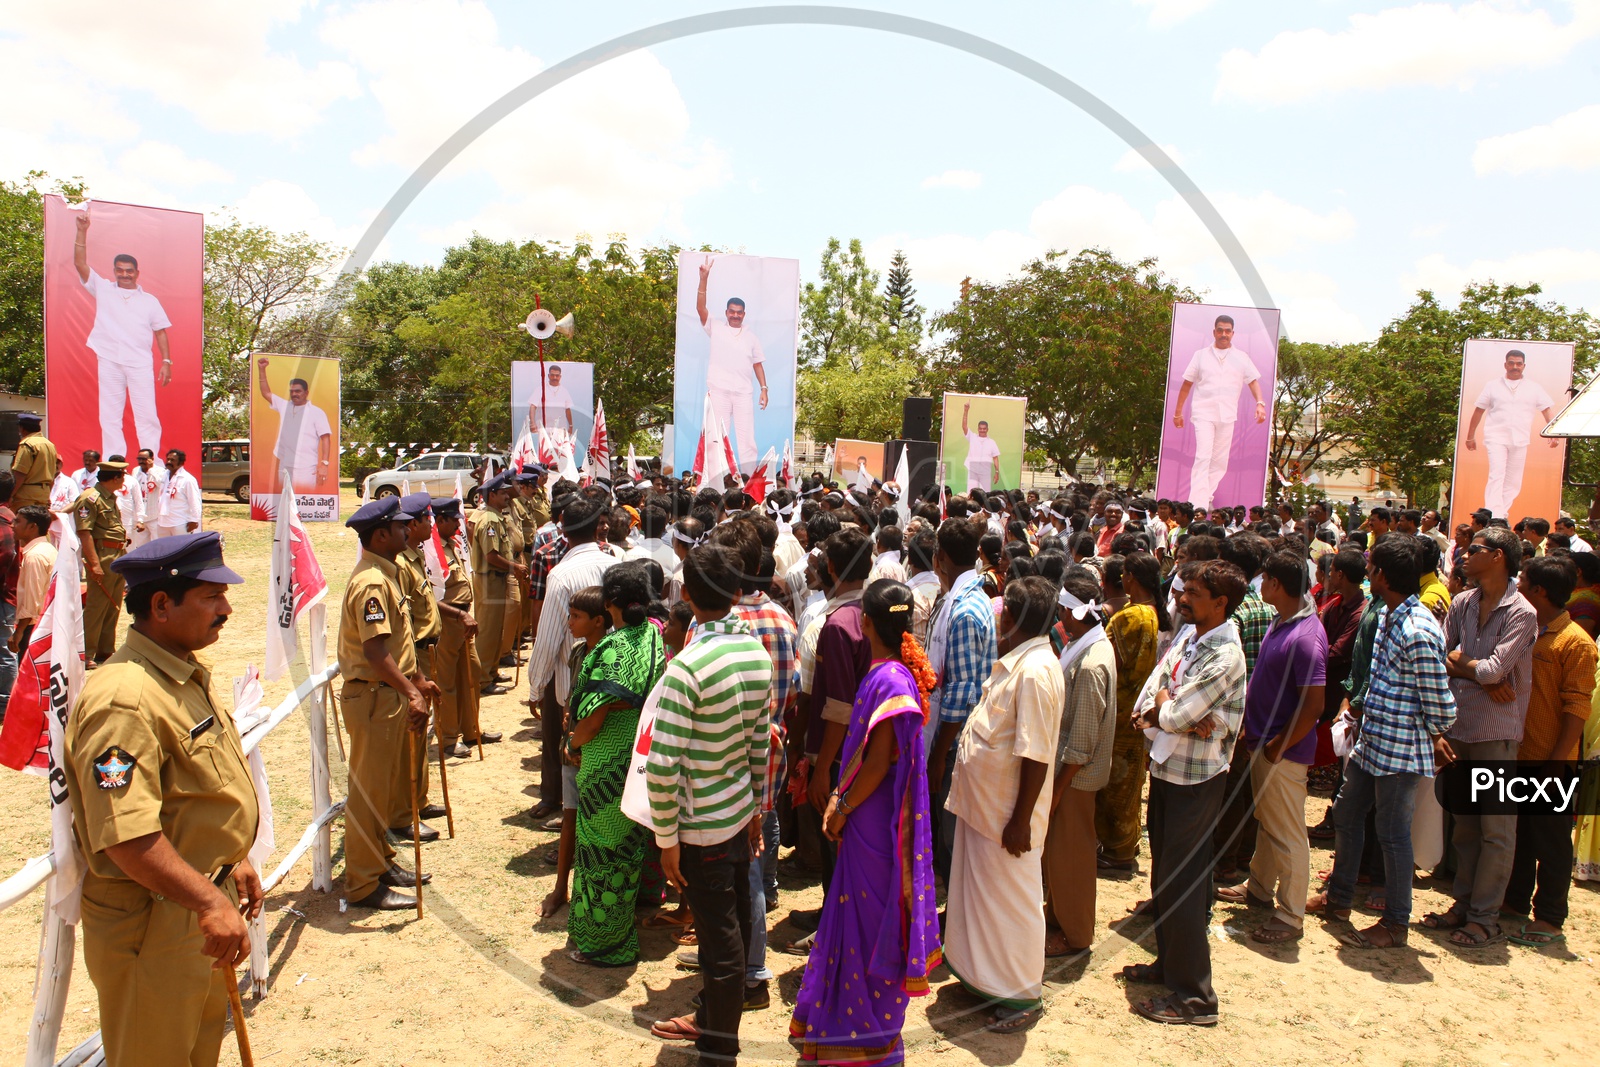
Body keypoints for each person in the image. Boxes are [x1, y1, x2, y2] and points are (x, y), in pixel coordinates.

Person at [62, 532, 256, 1067]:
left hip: (190, 907)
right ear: (162, 605)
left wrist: (228, 860)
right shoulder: (125, 698)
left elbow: (190, 794)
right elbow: (126, 836)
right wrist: (209, 899)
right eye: (211, 597)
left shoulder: (178, 670)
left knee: (196, 1054)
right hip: (155, 922)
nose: (226, 609)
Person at [790, 579, 942, 1064]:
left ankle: (866, 1034)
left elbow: (877, 763)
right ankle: (842, 1024)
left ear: (869, 624)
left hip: (876, 821)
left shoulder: (891, 680)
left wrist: (842, 804)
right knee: (854, 915)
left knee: (869, 922)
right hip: (870, 813)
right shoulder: (891, 672)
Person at [647, 544, 773, 1062]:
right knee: (735, 930)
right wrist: (757, 808)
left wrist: (666, 840)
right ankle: (713, 1029)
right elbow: (760, 743)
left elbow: (663, 766)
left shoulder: (687, 667)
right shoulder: (756, 653)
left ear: (687, 598)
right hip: (738, 813)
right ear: (739, 592)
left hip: (702, 827)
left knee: (721, 947)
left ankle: (719, 1051)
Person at [1314, 537, 1456, 948]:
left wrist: (1429, 732)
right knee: (1347, 813)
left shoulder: (1418, 629)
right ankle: (1338, 899)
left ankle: (1396, 922)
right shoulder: (1389, 615)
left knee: (1393, 834)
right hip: (1371, 742)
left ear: (1384, 577)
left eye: (1373, 568)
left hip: (1400, 752)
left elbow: (1441, 706)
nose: (1368, 573)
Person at [1125, 560, 1247, 1026]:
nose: (1182, 597)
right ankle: (1169, 967)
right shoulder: (1189, 636)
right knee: (1164, 878)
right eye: (1184, 589)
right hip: (1168, 769)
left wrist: (1167, 709)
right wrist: (1164, 707)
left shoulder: (1225, 655)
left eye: (1194, 593)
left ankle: (1195, 999)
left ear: (1221, 603)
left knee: (1185, 885)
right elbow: (1155, 691)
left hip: (1196, 781)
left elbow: (1175, 713)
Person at [943, 576, 1065, 1032]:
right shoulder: (1019, 661)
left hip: (1007, 818)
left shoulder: (1035, 671)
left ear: (1011, 619)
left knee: (1012, 906)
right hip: (984, 808)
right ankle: (980, 978)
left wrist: (1019, 821)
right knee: (978, 900)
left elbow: (1035, 753)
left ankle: (1020, 996)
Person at [1429, 525, 1537, 947]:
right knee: (1466, 828)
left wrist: (1468, 666)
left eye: (1474, 550)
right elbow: (1442, 655)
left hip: (1497, 733)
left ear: (1498, 557)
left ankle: (1484, 917)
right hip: (1460, 728)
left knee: (1496, 831)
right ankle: (1463, 904)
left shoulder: (1522, 612)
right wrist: (1480, 672)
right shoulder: (1461, 602)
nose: (1463, 556)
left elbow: (1494, 670)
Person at [1217, 550, 1327, 944]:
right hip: (1265, 741)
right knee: (1268, 821)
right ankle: (1260, 888)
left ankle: (1290, 915)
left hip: (1282, 750)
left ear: (1277, 585)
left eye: (1264, 580)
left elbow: (1313, 703)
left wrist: (1280, 744)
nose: (1259, 586)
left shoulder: (1306, 637)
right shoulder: (1283, 621)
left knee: (1287, 832)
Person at [337, 497, 436, 911]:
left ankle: (380, 861)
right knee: (369, 793)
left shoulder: (386, 574)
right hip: (375, 697)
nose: (406, 531)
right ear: (380, 535)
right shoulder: (372, 582)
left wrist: (416, 681)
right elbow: (376, 652)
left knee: (384, 787)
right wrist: (410, 690)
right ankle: (362, 883)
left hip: (389, 694)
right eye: (399, 527)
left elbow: (398, 643)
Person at [566, 564, 665, 964]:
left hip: (607, 760)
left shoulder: (615, 647)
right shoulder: (652, 635)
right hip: (638, 757)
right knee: (625, 850)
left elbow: (596, 713)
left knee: (600, 852)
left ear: (609, 604)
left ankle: (605, 945)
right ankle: (616, 931)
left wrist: (574, 740)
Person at [1496, 555, 1595, 945]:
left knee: (1551, 841)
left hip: (1551, 762)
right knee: (1518, 832)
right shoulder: (1529, 631)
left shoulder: (1576, 643)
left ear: (1539, 591)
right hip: (1520, 753)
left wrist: (1556, 762)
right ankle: (1515, 901)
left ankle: (1551, 917)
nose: (1517, 588)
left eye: (1523, 583)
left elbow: (1577, 708)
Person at [1043, 573, 1118, 956]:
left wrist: (1058, 790)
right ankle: (1057, 918)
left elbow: (1082, 742)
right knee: (1059, 852)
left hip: (1075, 777)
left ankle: (1075, 934)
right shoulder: (1085, 646)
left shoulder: (1090, 664)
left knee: (1071, 855)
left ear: (1073, 613)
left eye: (1062, 610)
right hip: (1067, 774)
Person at [925, 518, 998, 887]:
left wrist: (938, 754)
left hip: (954, 743)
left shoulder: (965, 609)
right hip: (948, 737)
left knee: (951, 835)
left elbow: (962, 690)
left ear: (939, 559)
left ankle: (957, 917)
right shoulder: (957, 598)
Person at [72, 211, 173, 460]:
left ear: (137, 273)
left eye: (129, 271)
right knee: (109, 415)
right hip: (109, 358)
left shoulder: (149, 301)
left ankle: (151, 461)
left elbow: (160, 331)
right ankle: (113, 461)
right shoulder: (104, 288)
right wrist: (82, 231)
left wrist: (166, 362)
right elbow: (80, 264)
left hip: (139, 362)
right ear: (114, 271)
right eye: (120, 270)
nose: (124, 275)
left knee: (146, 414)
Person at [1094, 552, 1164, 871]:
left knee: (1113, 785)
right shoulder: (1152, 613)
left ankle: (1116, 851)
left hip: (1120, 709)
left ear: (1131, 578)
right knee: (1129, 784)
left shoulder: (1130, 616)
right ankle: (1125, 845)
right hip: (1139, 709)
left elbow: (1110, 662)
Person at [392, 493, 447, 843]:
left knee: (421, 732)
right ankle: (404, 811)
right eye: (427, 520)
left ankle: (419, 799)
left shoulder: (415, 557)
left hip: (426, 652)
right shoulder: (399, 564)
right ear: (411, 525)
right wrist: (416, 674)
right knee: (410, 736)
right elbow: (405, 622)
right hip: (413, 657)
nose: (432, 525)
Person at [1170, 315, 1267, 511]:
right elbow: (1187, 384)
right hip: (1203, 413)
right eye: (1220, 330)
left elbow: (1253, 381)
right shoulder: (1200, 355)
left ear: (1233, 333)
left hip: (1228, 415)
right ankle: (1196, 505)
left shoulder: (1242, 358)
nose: (1224, 334)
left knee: (1220, 462)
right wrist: (1178, 412)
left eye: (1228, 331)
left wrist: (1260, 403)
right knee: (1203, 456)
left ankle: (1204, 497)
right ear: (1214, 332)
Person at [1465, 348, 1558, 518]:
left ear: (1524, 366)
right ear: (1505, 365)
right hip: (1496, 437)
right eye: (1511, 363)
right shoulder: (1492, 386)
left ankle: (1501, 513)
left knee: (1514, 481)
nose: (1515, 366)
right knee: (1497, 474)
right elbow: (1478, 411)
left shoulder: (1533, 387)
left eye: (1519, 364)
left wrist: (1553, 432)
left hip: (1520, 438)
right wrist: (1470, 436)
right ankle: (1492, 513)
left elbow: (1547, 410)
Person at [697, 256, 769, 472]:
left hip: (743, 393)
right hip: (719, 391)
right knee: (718, 436)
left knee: (747, 439)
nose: (735, 315)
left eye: (739, 313)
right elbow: (701, 308)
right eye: (732, 312)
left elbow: (758, 365)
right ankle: (718, 475)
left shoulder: (752, 337)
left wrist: (764, 389)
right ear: (726, 312)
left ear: (743, 314)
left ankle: (748, 477)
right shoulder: (716, 326)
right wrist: (704, 278)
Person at [429, 497, 484, 758]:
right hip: (448, 621)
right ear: (439, 520)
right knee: (447, 682)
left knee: (471, 673)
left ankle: (471, 730)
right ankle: (449, 738)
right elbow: (429, 597)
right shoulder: (430, 551)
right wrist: (459, 616)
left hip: (463, 618)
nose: (457, 526)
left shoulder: (451, 544)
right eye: (453, 520)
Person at [73, 459, 129, 666]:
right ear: (115, 478)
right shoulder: (90, 498)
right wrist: (94, 564)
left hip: (117, 555)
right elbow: (84, 532)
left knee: (112, 605)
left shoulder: (109, 498)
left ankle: (105, 650)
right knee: (96, 606)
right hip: (102, 556)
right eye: (122, 475)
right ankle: (87, 653)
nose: (124, 479)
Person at [470, 474, 519, 695]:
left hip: (497, 578)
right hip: (489, 578)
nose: (507, 496)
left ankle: (491, 671)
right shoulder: (489, 519)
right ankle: (482, 679)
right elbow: (491, 556)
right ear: (491, 495)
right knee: (488, 630)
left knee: (497, 627)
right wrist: (514, 567)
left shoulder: (496, 516)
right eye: (503, 493)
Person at [257, 357, 333, 492]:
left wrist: (324, 464)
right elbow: (266, 393)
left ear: (306, 392)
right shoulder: (284, 406)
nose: (294, 394)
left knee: (304, 501)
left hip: (306, 467)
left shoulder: (317, 412)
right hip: (285, 465)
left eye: (298, 391)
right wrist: (261, 369)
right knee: (284, 502)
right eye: (292, 391)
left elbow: (325, 438)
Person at [7, 505, 55, 656]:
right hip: (46, 622)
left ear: (32, 527)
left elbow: (32, 599)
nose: (12, 525)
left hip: (34, 626)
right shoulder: (48, 549)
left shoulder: (35, 556)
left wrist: (19, 632)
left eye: (18, 521)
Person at [10, 413, 56, 509]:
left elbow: (20, 474)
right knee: (38, 523)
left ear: (22, 428)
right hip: (44, 493)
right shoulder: (50, 445)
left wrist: (10, 495)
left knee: (22, 522)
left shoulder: (27, 444)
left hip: (26, 495)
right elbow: (53, 474)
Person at [154, 449, 201, 537]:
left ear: (181, 463)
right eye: (168, 459)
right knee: (165, 549)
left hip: (180, 523)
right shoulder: (164, 475)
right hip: (162, 523)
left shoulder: (188, 479)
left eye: (172, 460)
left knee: (181, 550)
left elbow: (194, 501)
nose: (168, 462)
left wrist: (194, 520)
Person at [960, 403, 1002, 493]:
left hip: (985, 471)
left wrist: (997, 472)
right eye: (980, 428)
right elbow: (964, 426)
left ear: (987, 429)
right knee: (971, 493)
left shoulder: (992, 442)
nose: (982, 430)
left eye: (984, 428)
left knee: (985, 493)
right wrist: (966, 411)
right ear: (978, 429)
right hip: (973, 469)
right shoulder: (972, 437)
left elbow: (995, 458)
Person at [527, 362, 576, 437]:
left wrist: (571, 425)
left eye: (557, 375)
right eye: (552, 375)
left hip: (560, 430)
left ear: (560, 376)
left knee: (560, 448)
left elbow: (567, 410)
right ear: (548, 376)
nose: (554, 377)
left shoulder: (564, 391)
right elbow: (533, 406)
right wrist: (532, 423)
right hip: (543, 429)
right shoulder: (540, 389)